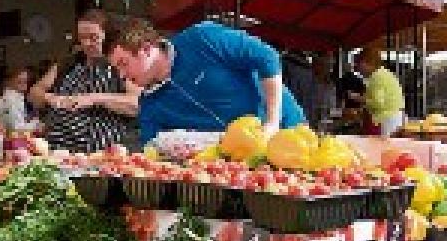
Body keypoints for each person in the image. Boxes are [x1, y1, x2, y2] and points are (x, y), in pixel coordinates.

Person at [104, 18, 306, 146]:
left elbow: (267, 57)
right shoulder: (149, 106)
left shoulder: (202, 38)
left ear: (147, 50)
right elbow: (152, 154)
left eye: (123, 63)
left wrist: (271, 122)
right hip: (240, 163)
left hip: (288, 131)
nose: (121, 75)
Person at [29, 9, 140, 152]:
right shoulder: (68, 63)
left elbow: (138, 104)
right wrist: (51, 98)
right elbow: (33, 94)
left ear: (106, 35)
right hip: (56, 151)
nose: (87, 43)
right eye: (82, 37)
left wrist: (94, 98)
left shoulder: (118, 64)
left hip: (101, 155)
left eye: (93, 37)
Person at [0, 67, 40, 132]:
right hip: (12, 138)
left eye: (25, 81)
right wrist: (36, 124)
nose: (24, 85)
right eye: (19, 81)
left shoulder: (10, 96)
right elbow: (17, 127)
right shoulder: (12, 99)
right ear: (10, 81)